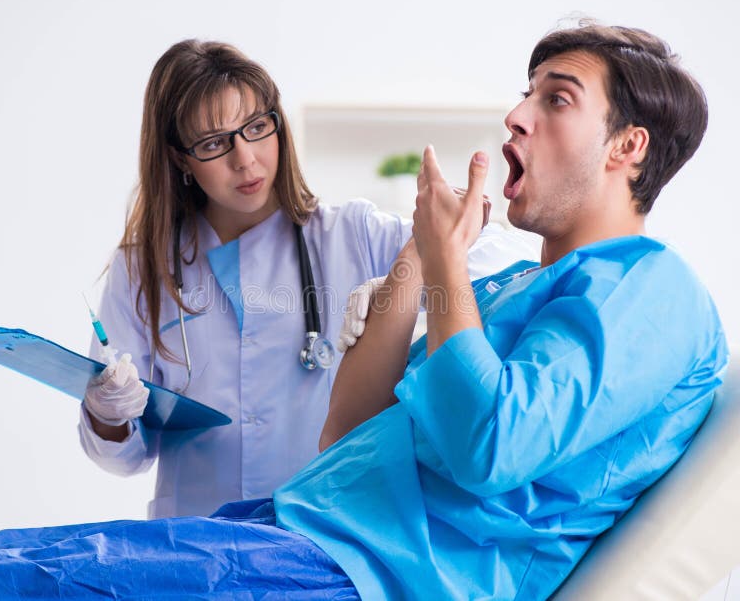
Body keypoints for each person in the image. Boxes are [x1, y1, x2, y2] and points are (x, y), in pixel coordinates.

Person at [0, 22, 728, 600]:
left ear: (628, 146)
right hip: (291, 531)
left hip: (363, 569)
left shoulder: (649, 289)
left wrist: (441, 262)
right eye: (525, 93)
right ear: (182, 162)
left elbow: (492, 445)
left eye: (554, 98)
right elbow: (345, 430)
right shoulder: (507, 291)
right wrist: (419, 261)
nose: (515, 115)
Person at [78, 39, 531, 519]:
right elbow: (122, 456)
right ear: (178, 159)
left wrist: (404, 278)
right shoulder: (141, 270)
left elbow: (499, 253)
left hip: (317, 536)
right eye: (214, 143)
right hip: (195, 539)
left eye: (256, 128)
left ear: (279, 124)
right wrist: (109, 415)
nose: (246, 160)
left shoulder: (349, 234)